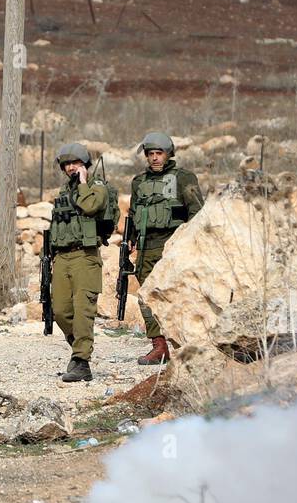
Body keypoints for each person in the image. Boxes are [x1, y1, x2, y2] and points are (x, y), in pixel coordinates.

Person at [127, 131, 204, 365]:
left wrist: (190, 244)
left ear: (168, 154)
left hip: (173, 245)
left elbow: (197, 212)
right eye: (150, 154)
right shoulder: (139, 182)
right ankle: (159, 346)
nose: (154, 158)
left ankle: (187, 346)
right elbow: (133, 214)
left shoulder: (184, 178)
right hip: (146, 246)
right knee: (147, 298)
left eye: (158, 153)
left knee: (179, 295)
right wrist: (129, 239)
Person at [47, 142, 118, 382]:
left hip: (85, 256)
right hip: (62, 257)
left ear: (85, 164)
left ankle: (81, 361)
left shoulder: (97, 187)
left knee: (83, 310)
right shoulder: (65, 192)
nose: (70, 168)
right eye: (66, 164)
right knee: (60, 310)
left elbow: (90, 206)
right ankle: (78, 350)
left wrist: (85, 181)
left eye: (75, 163)